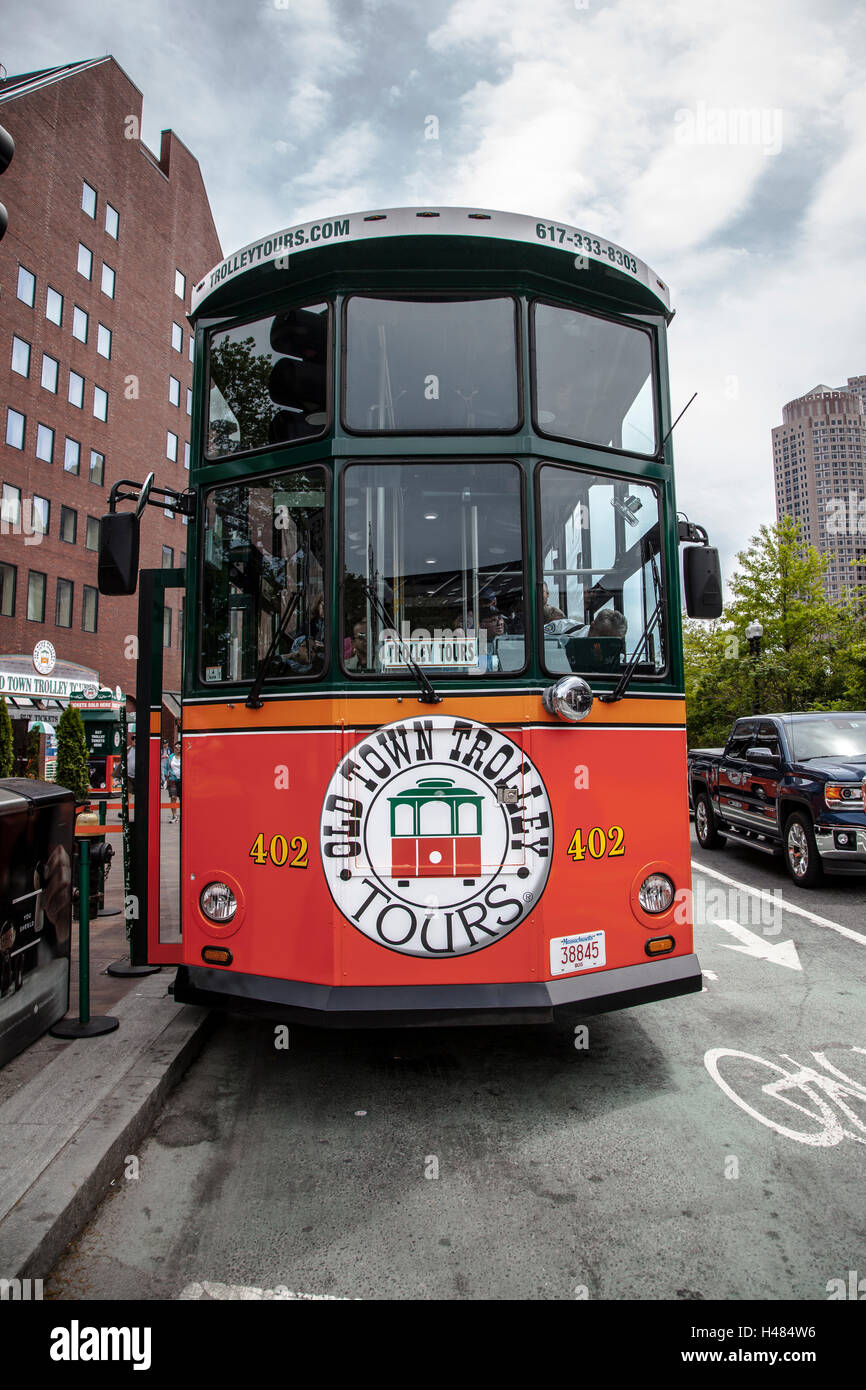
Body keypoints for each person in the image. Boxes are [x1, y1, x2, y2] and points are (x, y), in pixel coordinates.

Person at [167, 741, 181, 823]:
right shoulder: (171, 757)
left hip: (182, 780)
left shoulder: (185, 756)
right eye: (176, 747)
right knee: (173, 797)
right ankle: (174, 816)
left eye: (179, 747)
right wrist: (166, 777)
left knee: (182, 798)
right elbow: (166, 768)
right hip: (172, 780)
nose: (177, 748)